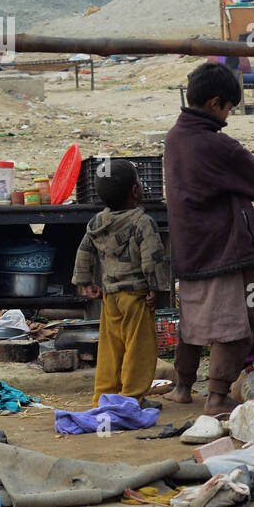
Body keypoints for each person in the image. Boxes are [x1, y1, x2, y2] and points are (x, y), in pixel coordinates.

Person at [164, 63, 254, 416]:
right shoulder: (216, 145)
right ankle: (216, 395)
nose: (228, 116)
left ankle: (182, 387)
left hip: (189, 248)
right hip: (223, 249)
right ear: (214, 103)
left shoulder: (175, 137)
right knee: (233, 326)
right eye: (228, 108)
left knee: (193, 322)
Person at [71, 159, 171, 409]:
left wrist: (85, 283)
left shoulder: (97, 223)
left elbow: (83, 253)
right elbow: (153, 257)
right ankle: (131, 399)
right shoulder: (141, 221)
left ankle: (103, 397)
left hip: (110, 297)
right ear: (136, 191)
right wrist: (155, 288)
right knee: (139, 350)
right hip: (136, 296)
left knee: (110, 349)